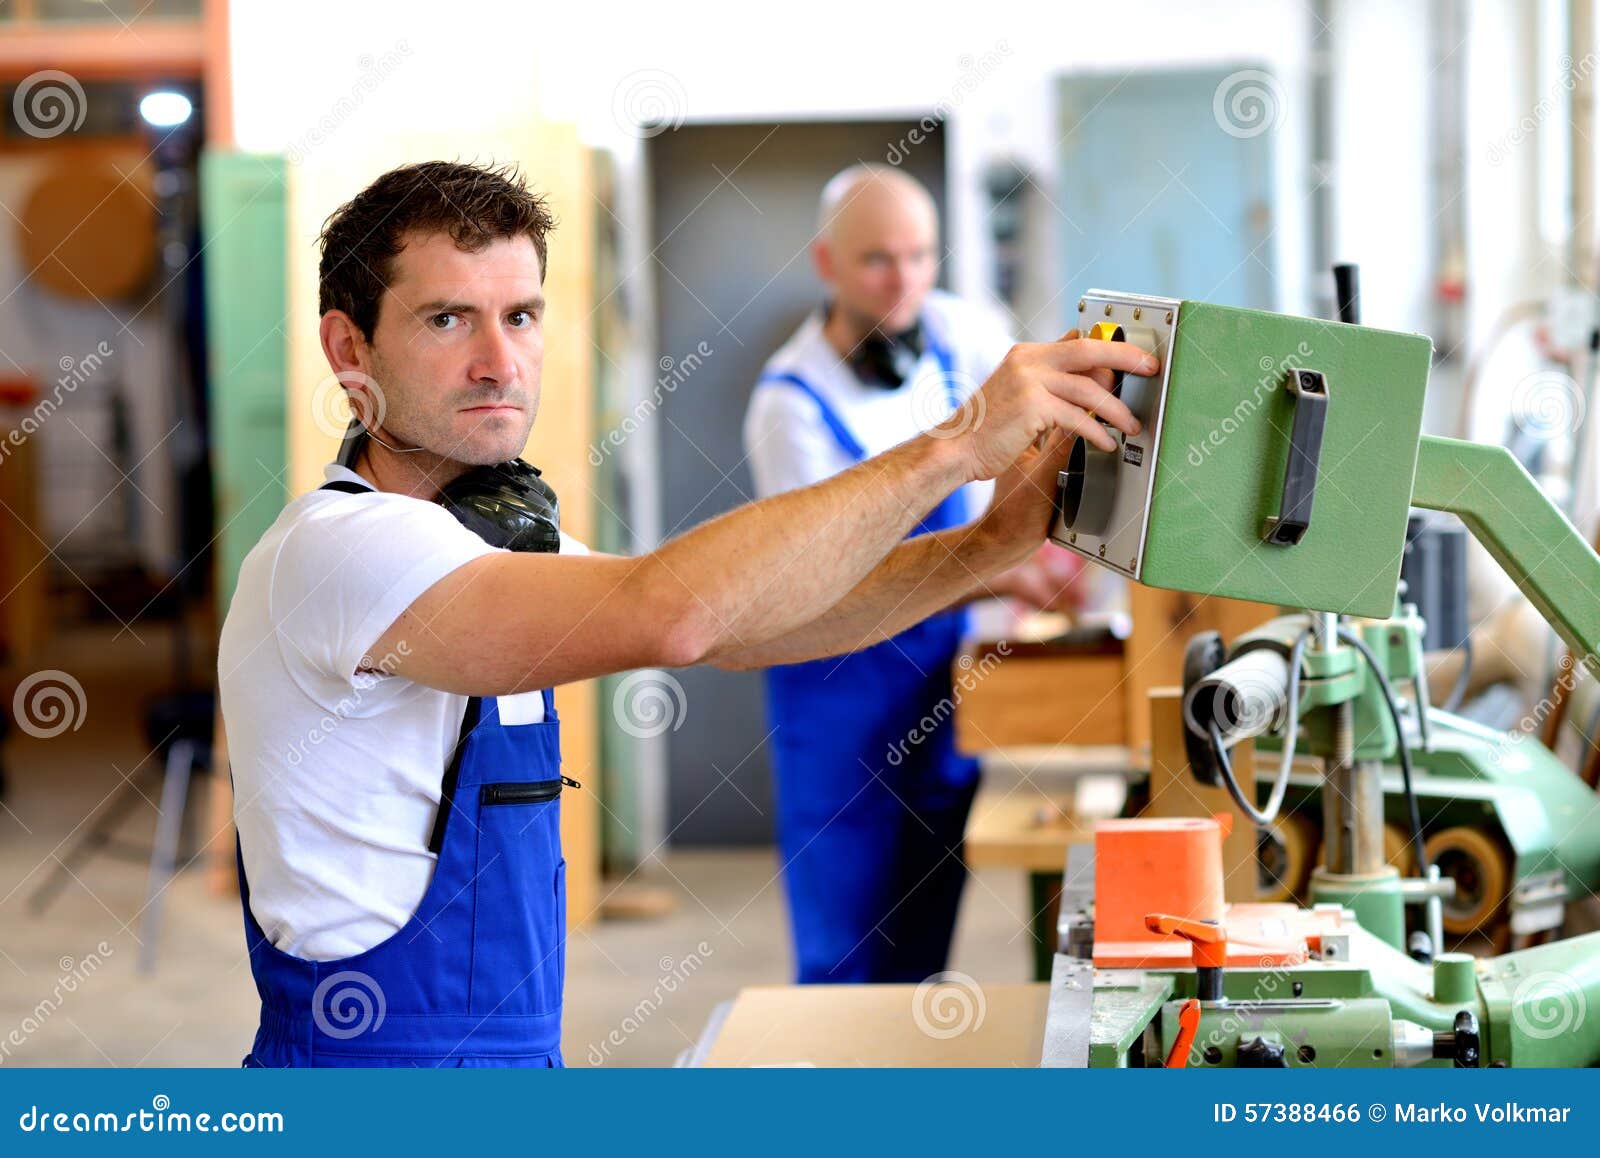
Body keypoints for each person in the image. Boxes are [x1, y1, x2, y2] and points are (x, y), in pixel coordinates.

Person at [218, 160, 1151, 1067]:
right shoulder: (339, 552)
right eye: (448, 318)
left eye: (522, 316)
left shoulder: (484, 550)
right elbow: (675, 613)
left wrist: (987, 550)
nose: (498, 361)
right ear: (351, 351)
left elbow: (754, 629)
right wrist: (953, 448)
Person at [742, 165, 1080, 983]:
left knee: (924, 939)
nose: (906, 282)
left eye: (922, 256)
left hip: (936, 679)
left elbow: (1032, 431)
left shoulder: (966, 336)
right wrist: (1000, 570)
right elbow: (823, 586)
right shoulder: (790, 404)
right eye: (878, 261)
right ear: (827, 264)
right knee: (844, 954)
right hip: (838, 697)